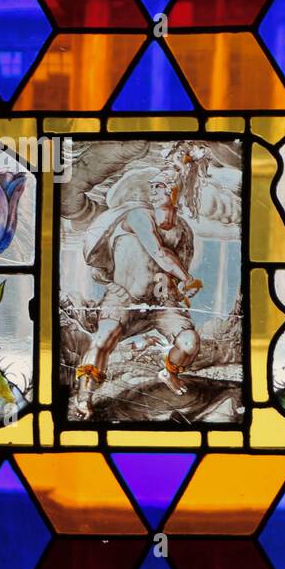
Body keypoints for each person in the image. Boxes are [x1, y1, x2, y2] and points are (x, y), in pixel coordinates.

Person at [73, 163, 203, 418]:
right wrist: (186, 278)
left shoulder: (183, 230)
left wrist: (171, 282)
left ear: (176, 192)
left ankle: (169, 372)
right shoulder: (138, 216)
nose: (154, 192)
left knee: (189, 343)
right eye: (152, 187)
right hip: (124, 299)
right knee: (102, 342)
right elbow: (158, 252)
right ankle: (83, 398)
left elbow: (173, 266)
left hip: (159, 305)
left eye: (161, 187)